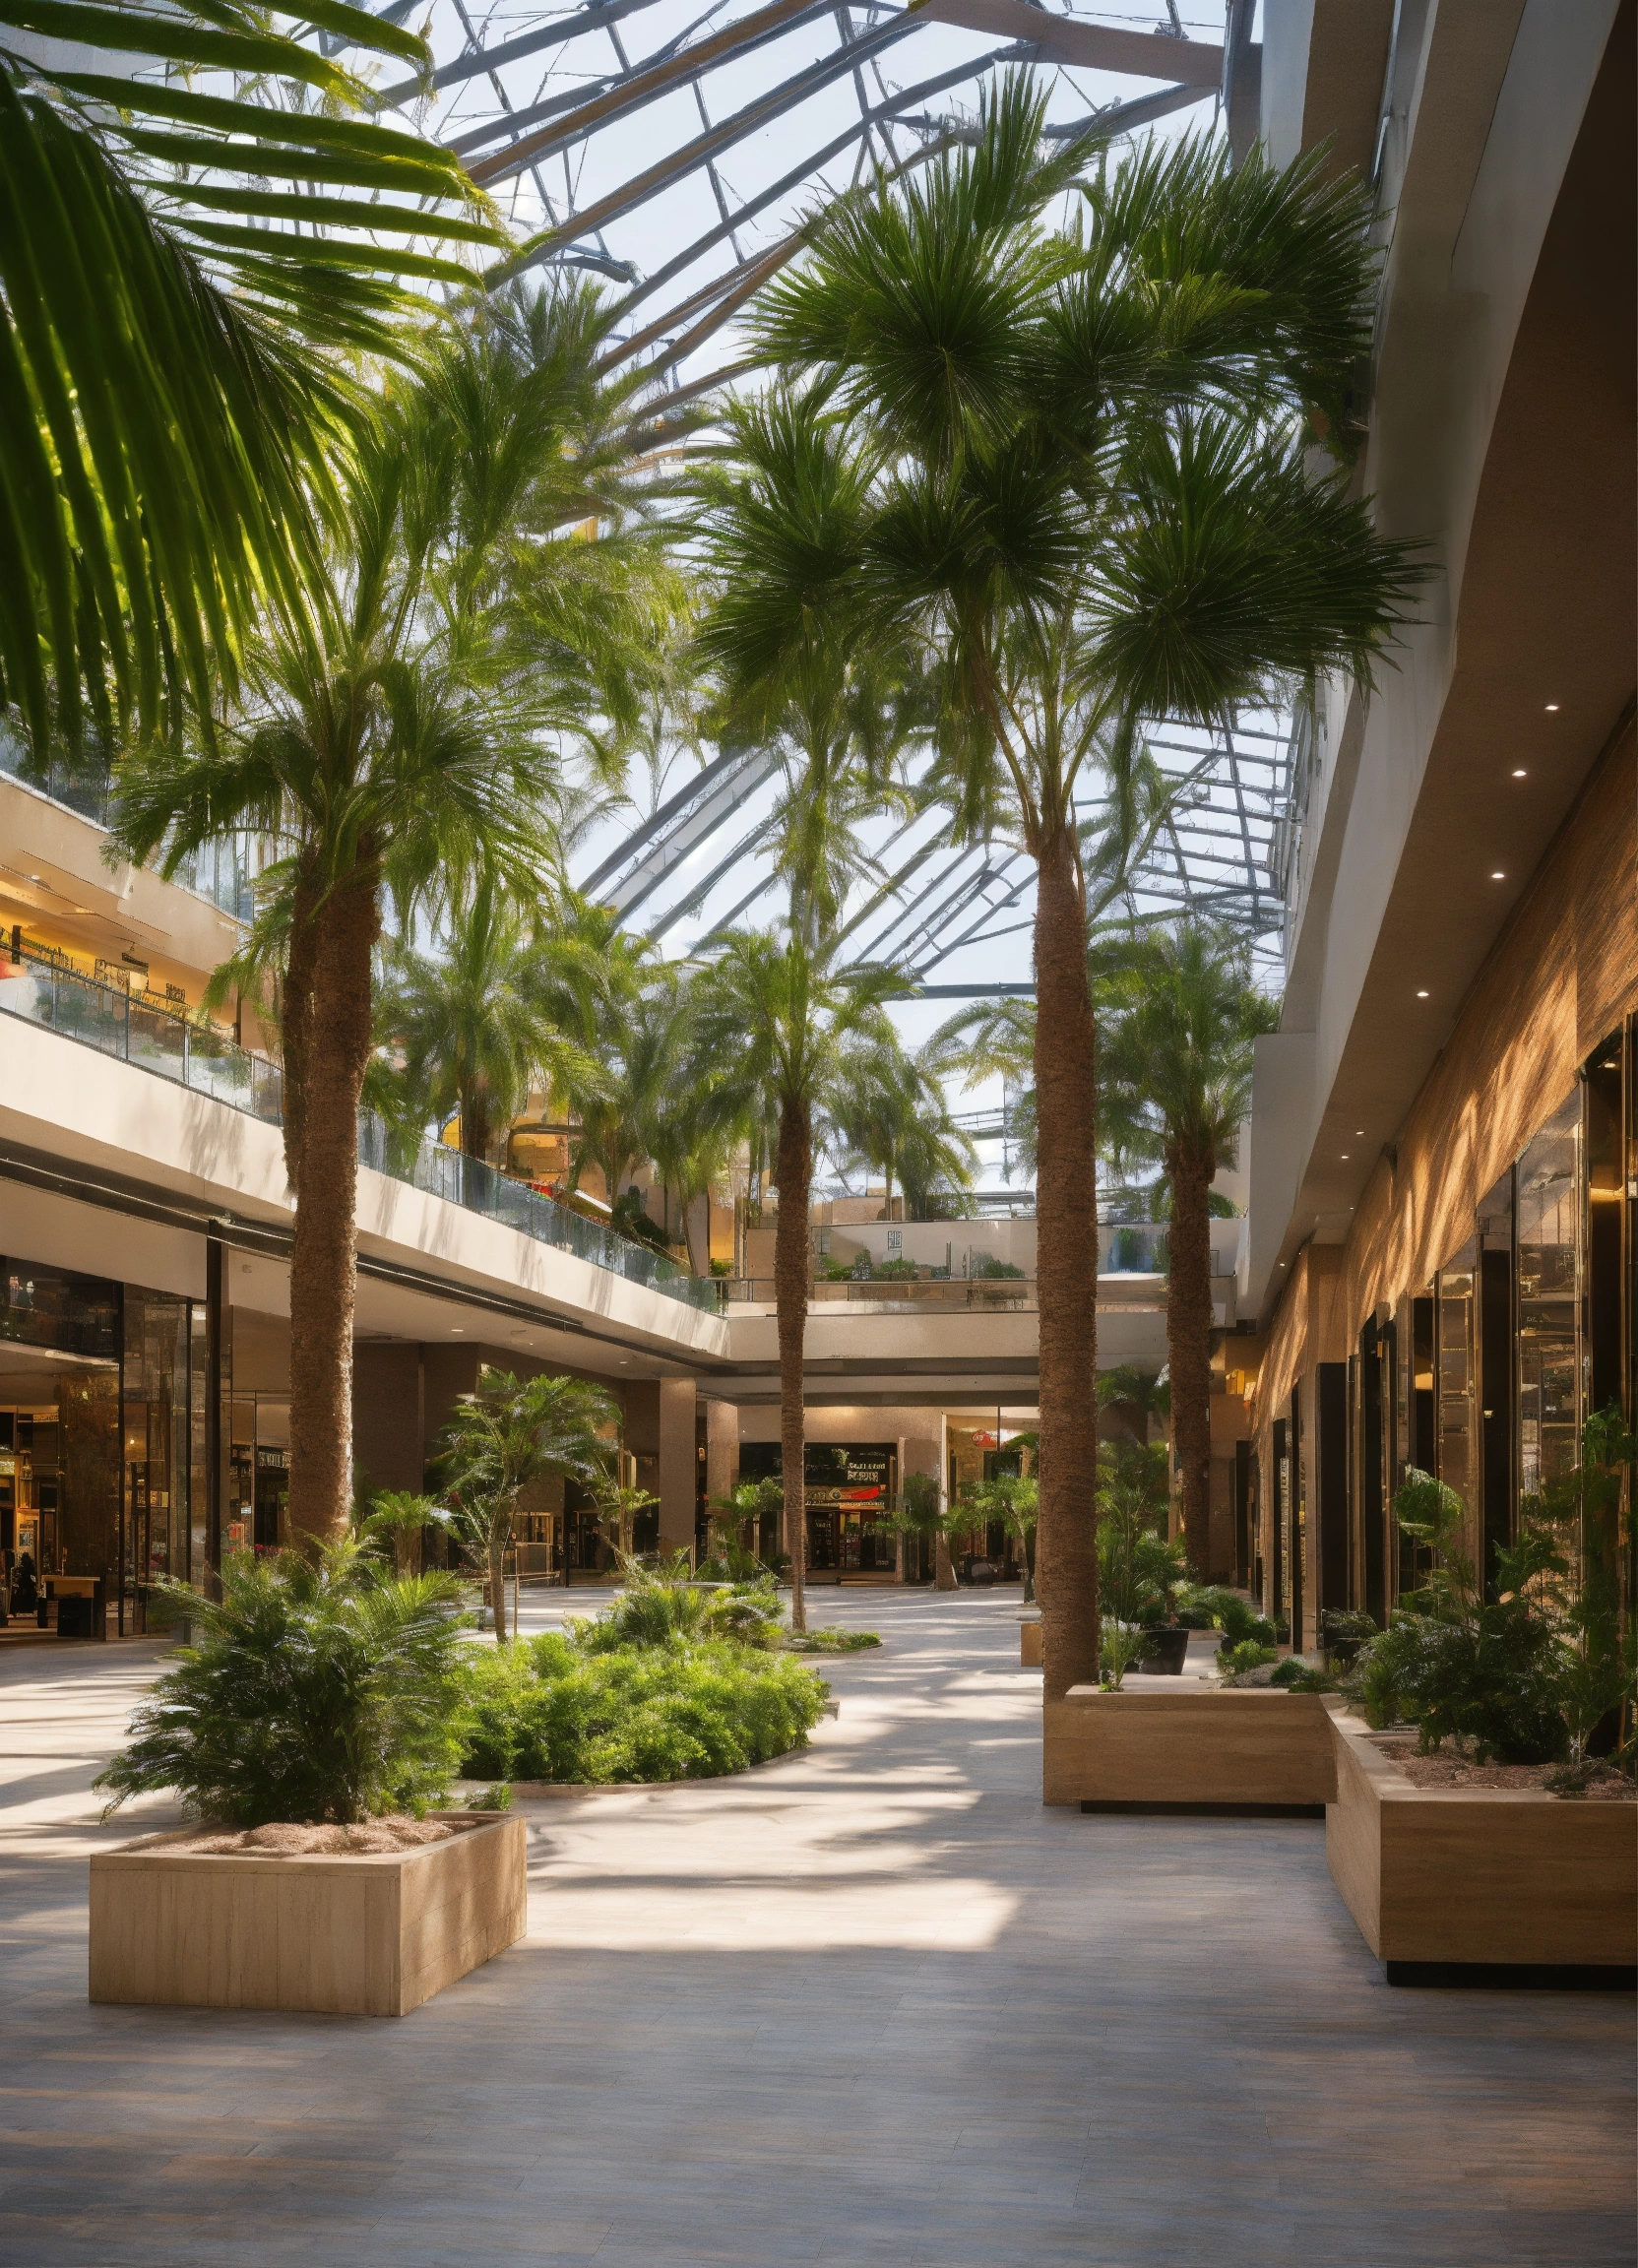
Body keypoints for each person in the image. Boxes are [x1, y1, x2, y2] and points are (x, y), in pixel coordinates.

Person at [12, 1550, 38, 1614]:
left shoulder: (25, 1570)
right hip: (30, 1588)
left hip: (26, 1588)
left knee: (24, 1600)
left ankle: (24, 1610)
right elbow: (32, 1578)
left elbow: (25, 1579)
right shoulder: (31, 1568)